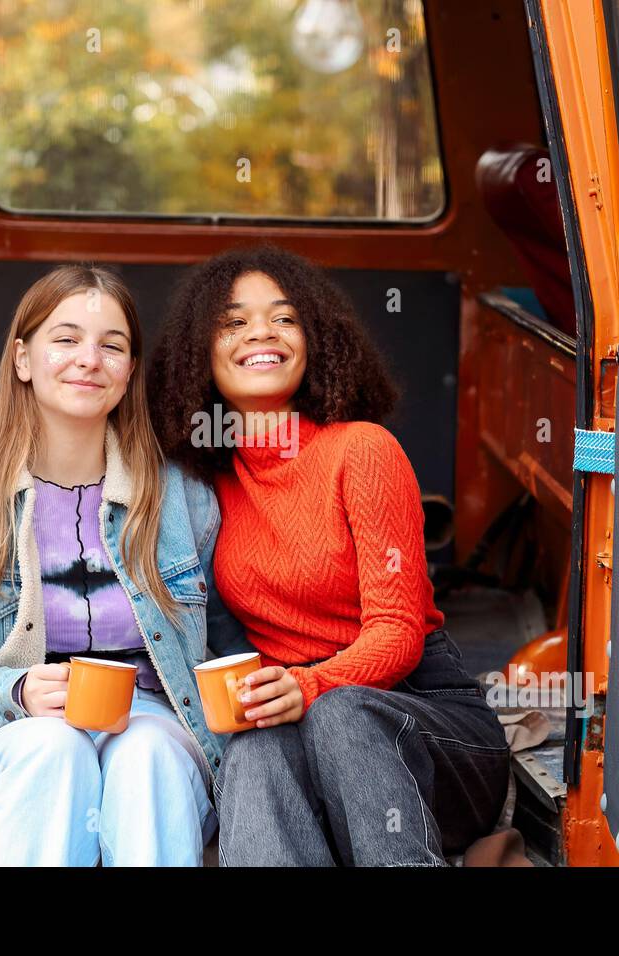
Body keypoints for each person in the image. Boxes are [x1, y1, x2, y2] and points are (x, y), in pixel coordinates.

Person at [148, 245, 511, 866]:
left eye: (284, 318)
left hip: (426, 723)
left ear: (314, 340)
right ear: (198, 355)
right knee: (253, 749)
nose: (262, 332)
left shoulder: (362, 450)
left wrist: (310, 685)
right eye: (234, 322)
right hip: (296, 717)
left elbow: (398, 633)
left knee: (341, 714)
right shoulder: (202, 482)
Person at [0, 264, 241, 866]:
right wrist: (17, 690)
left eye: (112, 346)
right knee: (54, 748)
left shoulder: (182, 499)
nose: (89, 360)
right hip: (6, 737)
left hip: (151, 724)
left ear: (129, 372)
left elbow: (228, 647)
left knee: (149, 754)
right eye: (66, 339)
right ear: (23, 359)